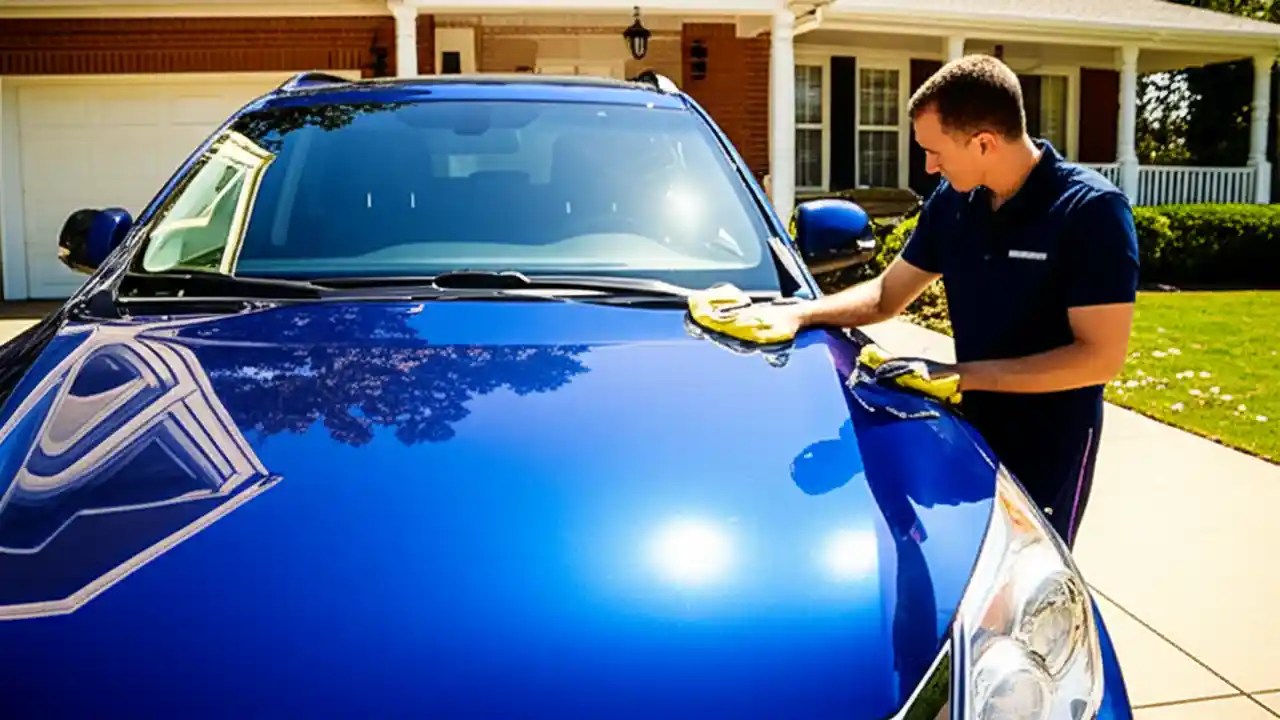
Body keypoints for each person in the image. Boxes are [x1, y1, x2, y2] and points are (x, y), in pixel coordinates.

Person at [758, 54, 1139, 548]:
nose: (928, 165)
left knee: (1028, 576)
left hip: (1051, 447)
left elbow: (1099, 358)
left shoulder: (1090, 212)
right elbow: (886, 295)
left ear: (984, 142)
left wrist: (960, 375)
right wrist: (798, 313)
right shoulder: (954, 202)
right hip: (966, 429)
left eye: (935, 151)